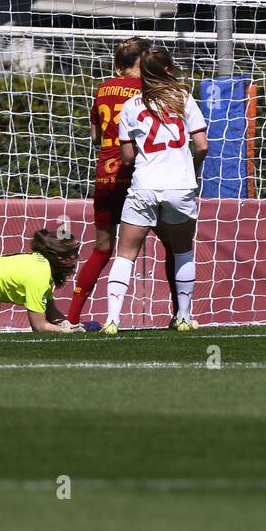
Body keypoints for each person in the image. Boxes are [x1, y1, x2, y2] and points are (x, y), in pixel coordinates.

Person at [67, 37, 177, 326]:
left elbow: (95, 137)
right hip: (138, 178)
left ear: (119, 63)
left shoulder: (103, 88)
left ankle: (72, 317)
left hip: (105, 176)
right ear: (143, 62)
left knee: (102, 249)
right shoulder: (147, 90)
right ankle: (180, 314)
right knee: (170, 243)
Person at [101, 47, 208, 334]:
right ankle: (184, 317)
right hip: (179, 186)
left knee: (125, 254)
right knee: (183, 251)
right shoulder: (184, 99)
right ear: (169, 70)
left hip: (144, 186)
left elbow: (126, 157)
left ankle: (112, 320)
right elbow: (202, 145)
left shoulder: (132, 106)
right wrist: (192, 169)